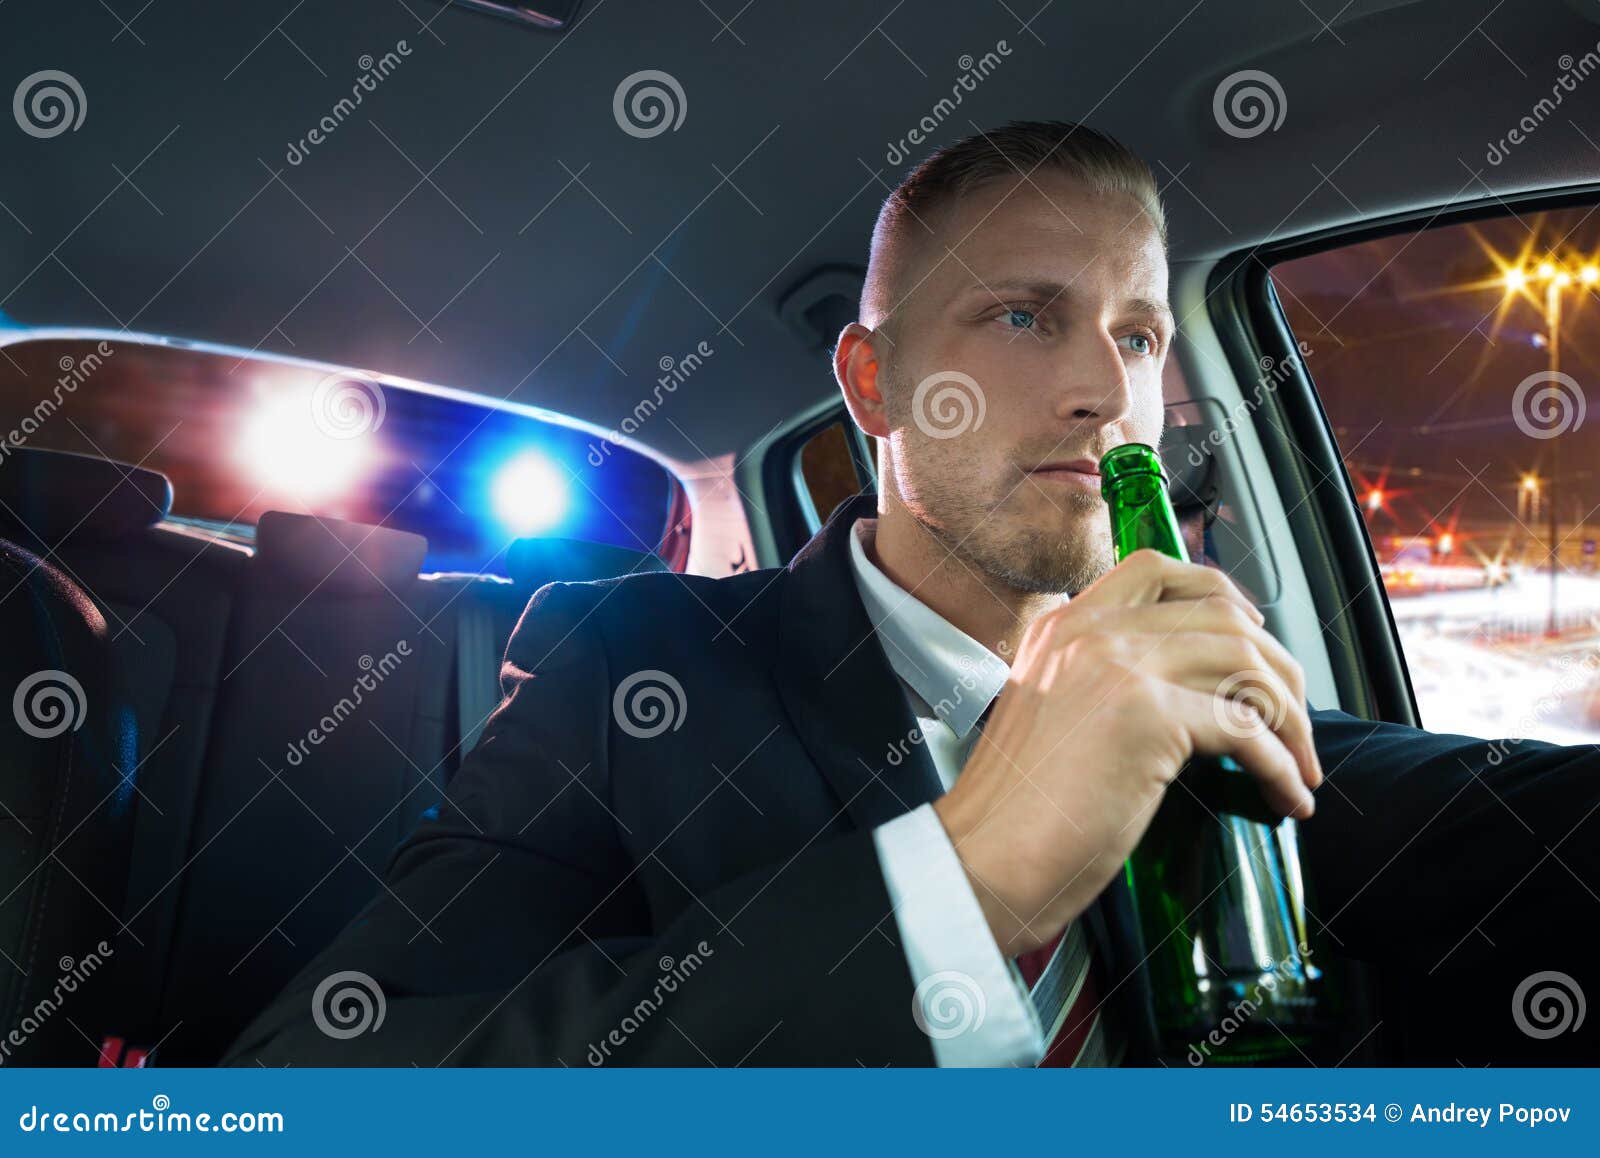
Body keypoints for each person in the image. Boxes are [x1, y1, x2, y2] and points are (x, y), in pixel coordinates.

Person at [225, 121, 1596, 1067]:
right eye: (1023, 315)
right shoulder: (635, 664)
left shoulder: (1193, 686)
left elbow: (1502, 832)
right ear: (872, 382)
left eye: (1136, 334)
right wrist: (963, 883)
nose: (1104, 390)